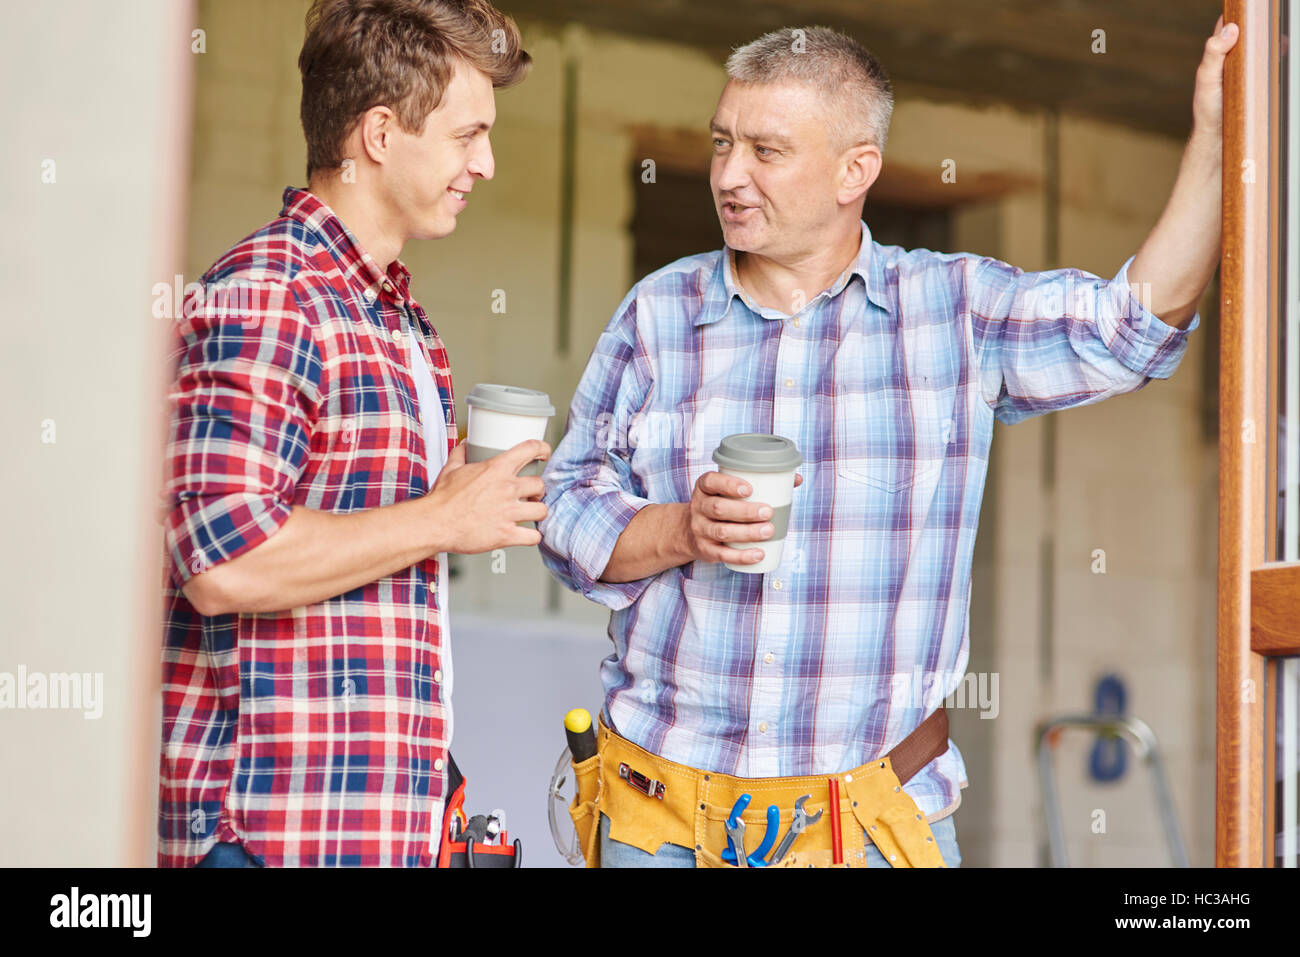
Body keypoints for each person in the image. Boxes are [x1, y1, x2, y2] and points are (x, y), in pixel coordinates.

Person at [539, 19, 1237, 867]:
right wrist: (680, 530)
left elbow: (1134, 327)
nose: (728, 174)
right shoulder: (658, 313)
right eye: (722, 143)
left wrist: (1212, 140)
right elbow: (565, 502)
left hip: (867, 831)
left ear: (854, 170)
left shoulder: (955, 311)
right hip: (659, 824)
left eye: (766, 150)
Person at [159, 0, 540, 867]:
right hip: (268, 831)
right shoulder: (268, 293)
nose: (485, 163)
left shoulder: (402, 318)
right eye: (466, 135)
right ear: (378, 133)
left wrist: (457, 502)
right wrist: (440, 519)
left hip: (376, 821)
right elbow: (223, 562)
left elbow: (373, 536)